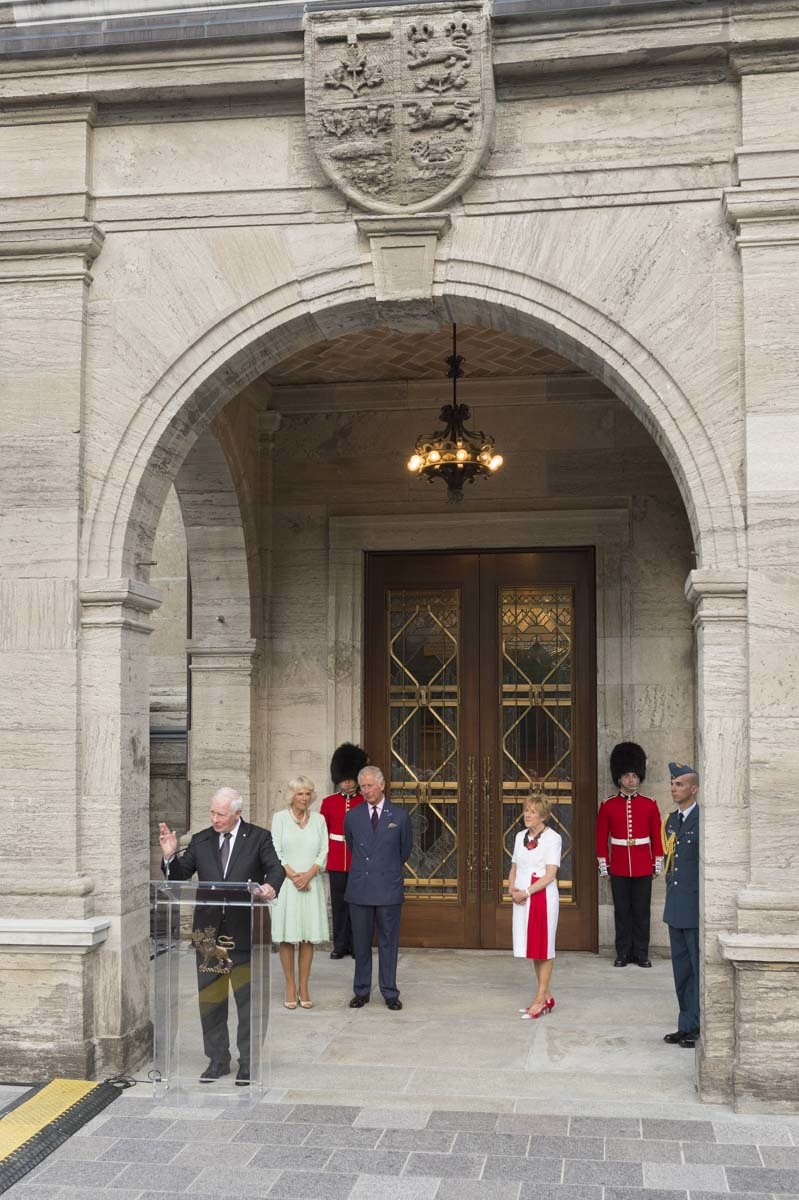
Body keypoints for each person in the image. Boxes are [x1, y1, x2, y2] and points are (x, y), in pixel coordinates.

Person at [158, 787, 284, 1085]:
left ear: (237, 814)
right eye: (213, 812)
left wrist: (270, 887)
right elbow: (178, 878)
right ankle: (217, 1059)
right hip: (208, 935)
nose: (215, 819)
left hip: (246, 930)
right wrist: (168, 857)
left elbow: (275, 869)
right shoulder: (201, 840)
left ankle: (249, 1062)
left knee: (248, 1000)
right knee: (211, 999)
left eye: (221, 814)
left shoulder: (258, 837)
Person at [344, 765, 413, 1010]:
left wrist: (385, 868)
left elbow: (404, 851)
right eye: (362, 786)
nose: (366, 790)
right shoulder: (353, 815)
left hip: (388, 887)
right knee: (361, 944)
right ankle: (361, 991)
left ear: (382, 785)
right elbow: (353, 847)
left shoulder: (400, 815)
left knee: (388, 942)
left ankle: (389, 991)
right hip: (360, 888)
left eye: (370, 785)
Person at [596, 742, 664, 967]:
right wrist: (604, 866)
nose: (631, 780)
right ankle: (623, 953)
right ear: (619, 778)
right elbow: (601, 838)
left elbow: (656, 836)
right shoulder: (607, 805)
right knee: (622, 912)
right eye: (626, 776)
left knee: (642, 913)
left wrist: (657, 863)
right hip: (619, 866)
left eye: (635, 775)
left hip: (643, 864)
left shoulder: (650, 804)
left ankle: (642, 953)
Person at [270, 776, 329, 1009]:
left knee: (307, 937)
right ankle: (290, 985)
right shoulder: (280, 819)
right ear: (291, 795)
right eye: (299, 793)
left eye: (308, 793)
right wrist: (293, 874)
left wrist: (309, 874)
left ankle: (304, 986)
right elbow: (275, 849)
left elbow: (324, 849)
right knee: (287, 936)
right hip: (287, 884)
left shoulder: (319, 820)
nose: (304, 798)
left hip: (311, 884)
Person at [509, 793, 562, 1020]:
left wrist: (527, 892)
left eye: (532, 811)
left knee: (544, 947)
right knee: (533, 948)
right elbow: (513, 866)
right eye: (526, 810)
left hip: (540, 897)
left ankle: (540, 999)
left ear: (544, 816)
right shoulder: (520, 835)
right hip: (521, 896)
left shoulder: (553, 838)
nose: (527, 815)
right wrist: (512, 889)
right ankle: (547, 995)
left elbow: (550, 874)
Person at [662, 761, 700, 1048]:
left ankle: (697, 1026)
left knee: (698, 971)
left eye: (680, 784)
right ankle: (685, 1024)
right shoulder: (671, 821)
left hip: (695, 907)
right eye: (673, 784)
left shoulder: (703, 820)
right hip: (676, 907)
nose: (674, 789)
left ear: (693, 789)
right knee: (682, 971)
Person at [320, 743, 368, 959]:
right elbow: (323, 834)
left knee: (358, 904)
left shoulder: (364, 801)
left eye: (350, 777)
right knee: (339, 905)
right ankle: (339, 944)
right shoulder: (328, 803)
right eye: (344, 777)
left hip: (359, 860)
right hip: (337, 860)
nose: (347, 781)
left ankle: (358, 945)